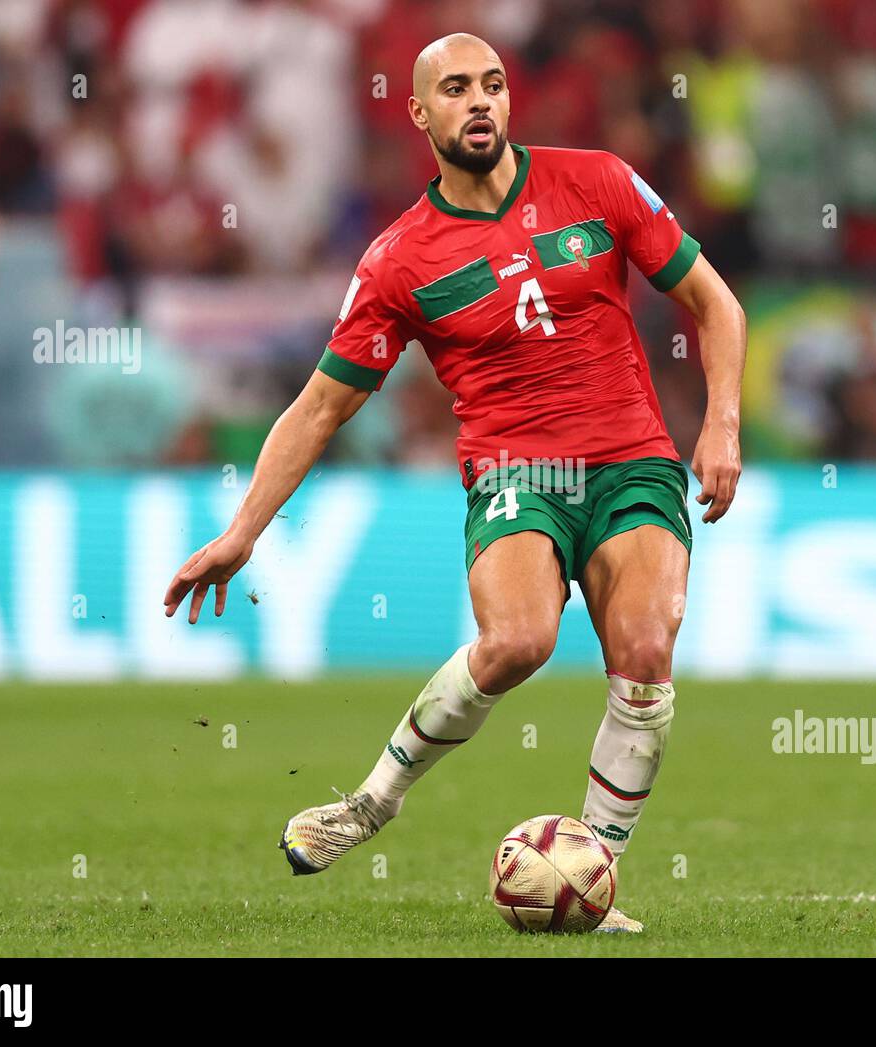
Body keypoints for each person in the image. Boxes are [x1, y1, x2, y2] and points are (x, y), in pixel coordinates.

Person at [163, 33, 746, 933]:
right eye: (456, 89)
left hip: (632, 458)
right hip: (517, 474)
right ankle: (369, 805)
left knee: (646, 648)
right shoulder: (400, 259)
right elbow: (320, 406)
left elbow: (716, 302)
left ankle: (589, 872)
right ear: (420, 113)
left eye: (494, 85)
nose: (480, 102)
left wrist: (720, 421)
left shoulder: (598, 181)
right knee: (518, 641)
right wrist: (243, 531)